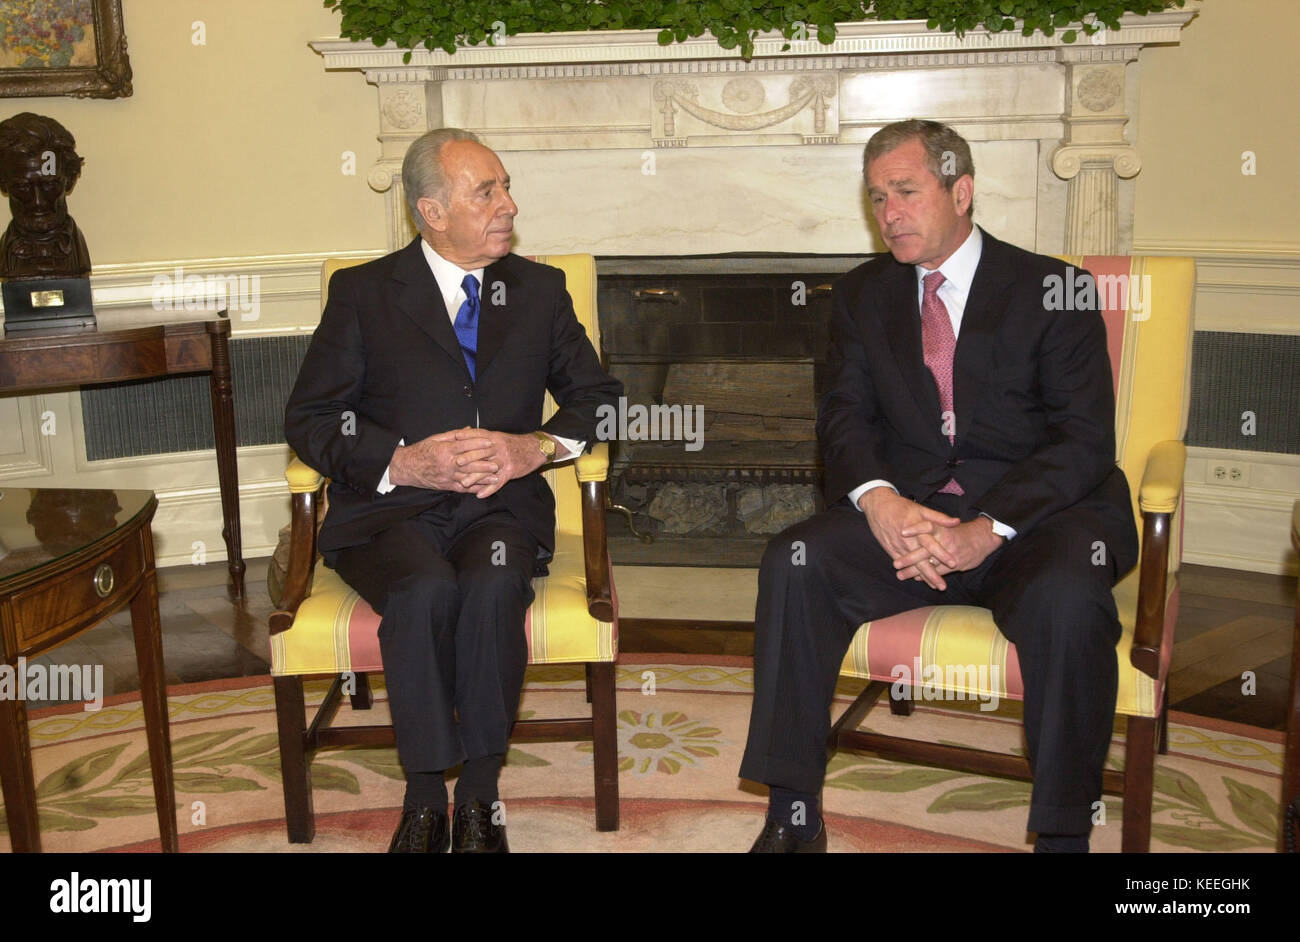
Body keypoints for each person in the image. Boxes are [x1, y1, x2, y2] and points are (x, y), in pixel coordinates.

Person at [739, 119, 1139, 853]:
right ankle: (792, 816)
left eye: (905, 191)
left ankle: (1061, 836)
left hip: (1036, 520)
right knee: (793, 562)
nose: (888, 212)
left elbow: (1084, 441)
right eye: (876, 197)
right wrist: (881, 502)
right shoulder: (862, 295)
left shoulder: (1056, 288)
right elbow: (844, 417)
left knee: (1068, 599)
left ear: (962, 191)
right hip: (911, 514)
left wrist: (982, 531)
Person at [285, 128, 622, 853]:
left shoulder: (537, 290)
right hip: (388, 512)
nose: (510, 205)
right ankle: (422, 795)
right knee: (424, 591)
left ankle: (477, 798)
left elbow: (601, 401)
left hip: (498, 510)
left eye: (504, 186)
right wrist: (403, 462)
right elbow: (311, 419)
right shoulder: (365, 294)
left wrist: (530, 447)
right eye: (487, 191)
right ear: (431, 212)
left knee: (494, 586)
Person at [0, 112, 91, 279]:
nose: (38, 201)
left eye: (49, 184)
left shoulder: (78, 252)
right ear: (4, 184)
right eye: (22, 187)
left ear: (69, 180)